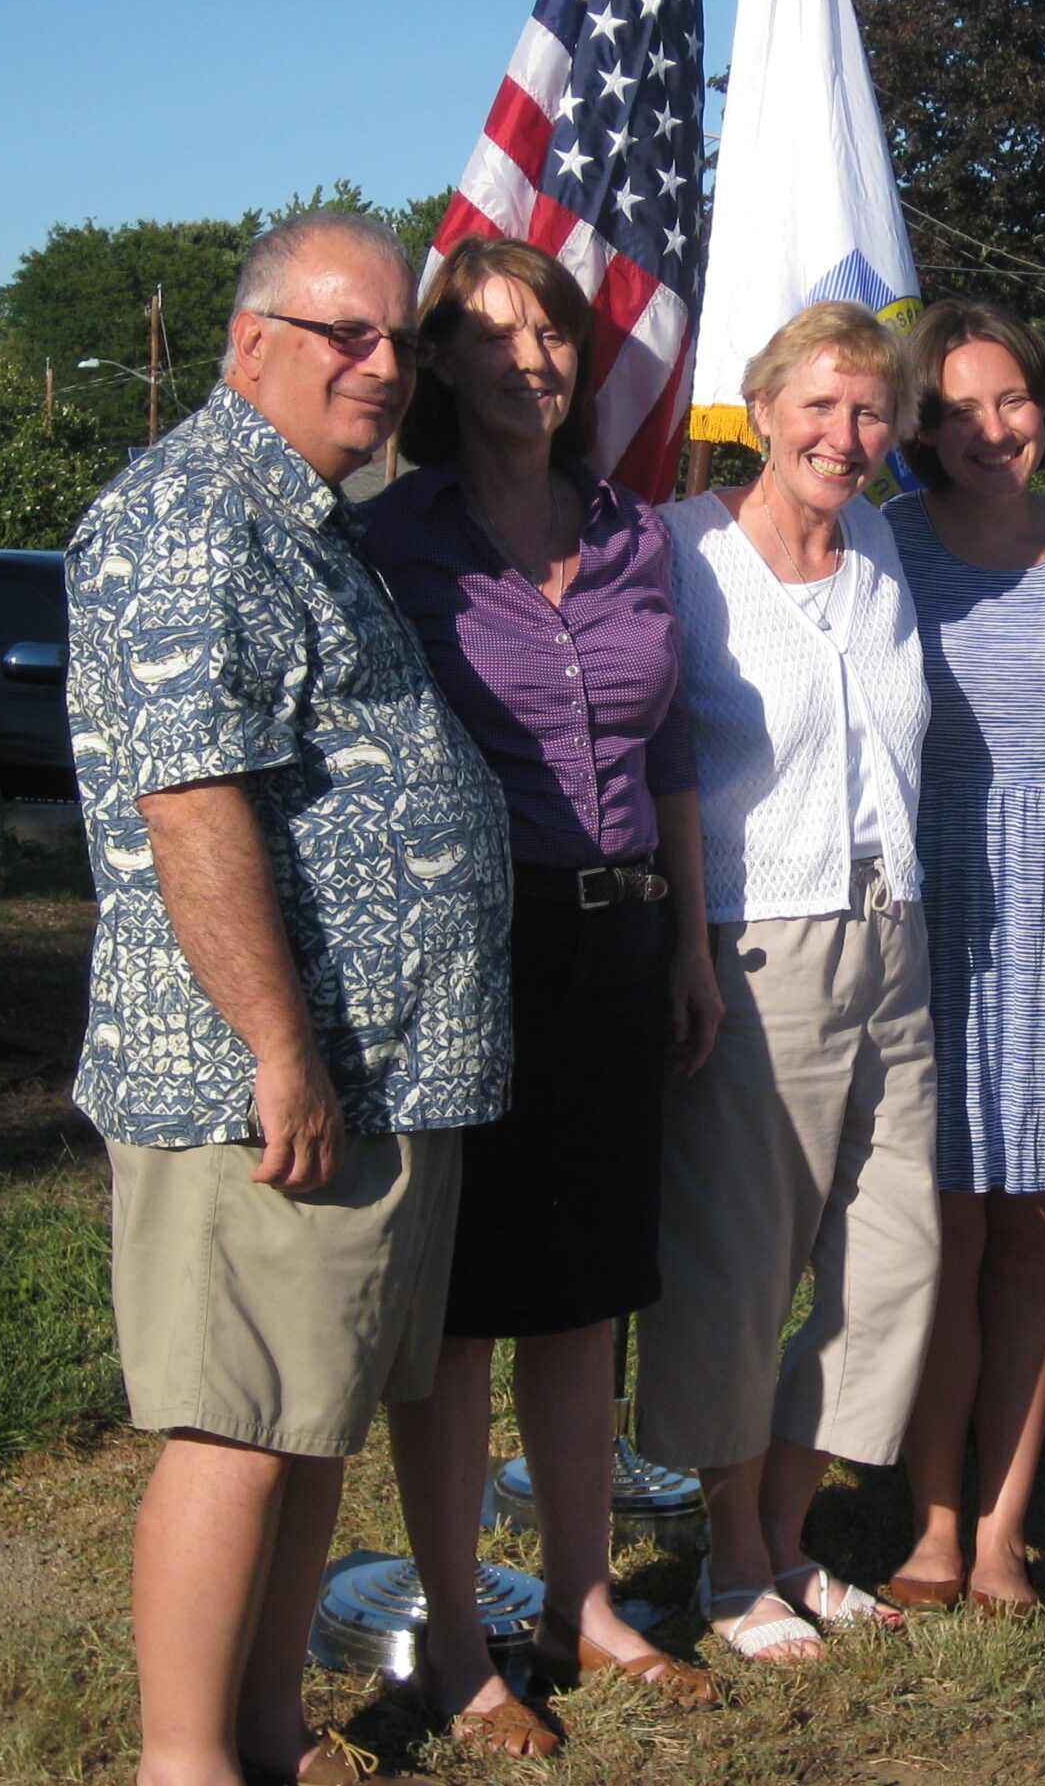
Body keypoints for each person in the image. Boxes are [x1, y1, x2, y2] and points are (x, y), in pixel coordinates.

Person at [65, 208, 511, 1786]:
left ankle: (265, 1736)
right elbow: (195, 809)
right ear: (252, 338)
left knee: (307, 1420)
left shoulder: (308, 518)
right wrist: (281, 1050)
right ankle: (185, 1765)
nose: (386, 367)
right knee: (237, 1434)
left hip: (371, 1068)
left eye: (398, 337)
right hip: (259, 1083)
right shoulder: (200, 518)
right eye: (349, 333)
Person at [358, 237, 722, 1754]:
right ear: (438, 363)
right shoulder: (394, 543)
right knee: (455, 1314)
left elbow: (672, 752)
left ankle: (585, 1601)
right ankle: (458, 1644)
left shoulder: (638, 535)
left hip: (621, 946)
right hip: (468, 955)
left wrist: (690, 947)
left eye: (554, 333)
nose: (534, 359)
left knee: (584, 1302)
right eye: (495, 334)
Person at [633, 300, 941, 1664]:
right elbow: (666, 762)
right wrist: (686, 944)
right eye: (818, 407)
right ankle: (735, 1558)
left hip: (899, 934)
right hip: (765, 943)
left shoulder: (878, 543)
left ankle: (791, 1526)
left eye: (871, 411)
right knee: (741, 1270)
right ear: (758, 412)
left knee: (893, 1265)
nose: (845, 436)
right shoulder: (688, 553)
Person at [880, 301, 1045, 1618]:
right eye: (960, 409)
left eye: (1014, 401)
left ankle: (1003, 1530)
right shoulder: (883, 546)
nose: (994, 431)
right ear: (919, 427)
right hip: (930, 910)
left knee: (1036, 1235)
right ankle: (929, 1522)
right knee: (939, 1230)